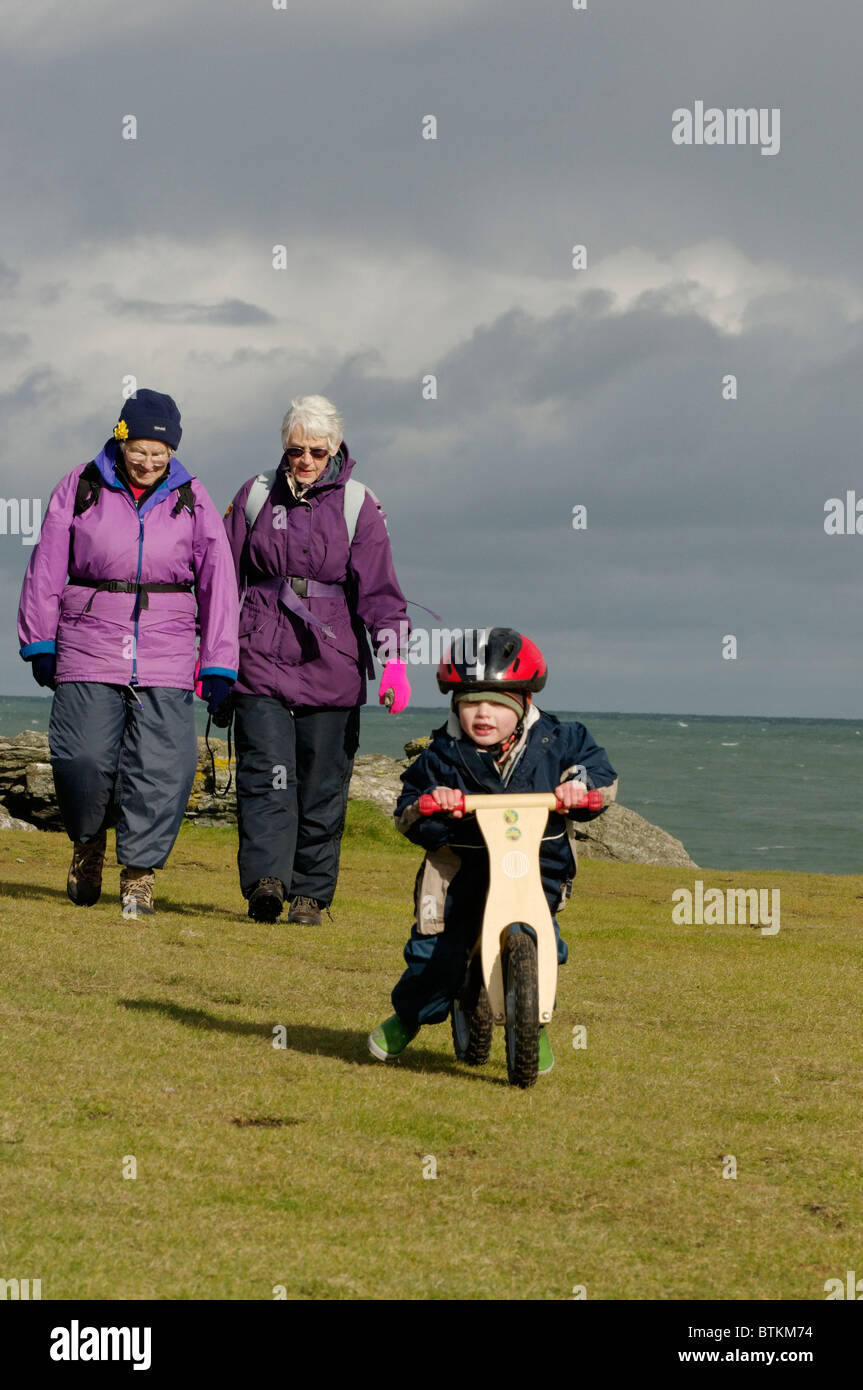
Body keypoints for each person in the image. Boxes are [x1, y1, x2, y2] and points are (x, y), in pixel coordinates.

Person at [17, 389, 239, 916]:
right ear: (122, 439)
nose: (148, 462)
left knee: (164, 767)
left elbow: (219, 582)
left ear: (173, 453)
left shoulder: (194, 495)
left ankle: (139, 872)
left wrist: (219, 663)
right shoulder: (79, 485)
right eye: (139, 449)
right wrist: (40, 641)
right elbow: (47, 565)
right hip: (89, 644)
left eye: (159, 454)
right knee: (83, 757)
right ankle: (88, 844)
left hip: (166, 650)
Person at [368, 627, 618, 1075]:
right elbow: (407, 811)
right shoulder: (442, 755)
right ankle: (408, 1017)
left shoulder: (560, 741)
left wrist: (582, 788)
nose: (483, 714)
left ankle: (533, 1027)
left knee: (544, 945)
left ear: (523, 704)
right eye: (470, 702)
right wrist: (433, 803)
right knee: (435, 955)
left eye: (498, 704)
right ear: (454, 704)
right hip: (460, 873)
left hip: (533, 869)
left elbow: (599, 771)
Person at [223, 394, 412, 925]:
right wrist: (210, 656)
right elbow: (221, 578)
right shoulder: (255, 495)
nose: (305, 460)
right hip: (258, 654)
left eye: (317, 451)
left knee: (322, 781)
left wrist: (393, 663)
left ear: (335, 449)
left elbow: (381, 593)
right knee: (265, 772)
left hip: (333, 661)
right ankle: (266, 882)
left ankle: (310, 895)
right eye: (295, 449)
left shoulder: (359, 504)